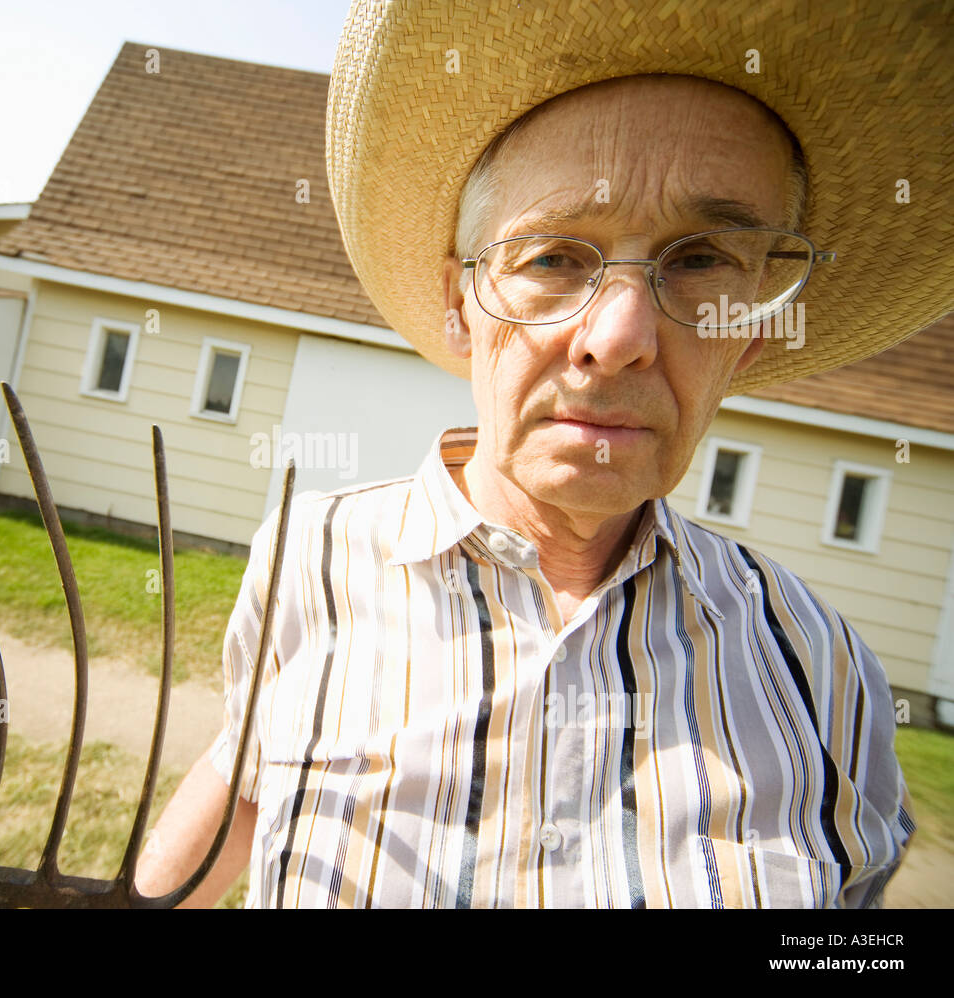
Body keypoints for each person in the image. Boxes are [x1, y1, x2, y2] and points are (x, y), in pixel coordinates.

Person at [135, 0, 950, 907]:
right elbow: (250, 778)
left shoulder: (828, 672)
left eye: (703, 259)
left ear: (749, 334)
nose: (621, 336)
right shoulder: (305, 561)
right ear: (461, 305)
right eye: (556, 256)